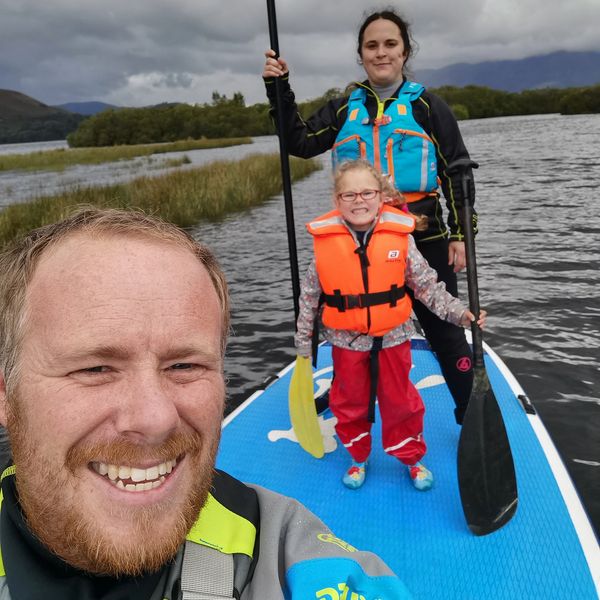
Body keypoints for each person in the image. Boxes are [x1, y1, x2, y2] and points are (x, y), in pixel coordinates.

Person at [0, 208, 413, 599]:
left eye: (184, 365)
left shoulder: (293, 559)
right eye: (95, 369)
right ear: (6, 394)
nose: (156, 417)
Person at [263, 8, 478, 424]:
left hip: (423, 235)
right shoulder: (344, 108)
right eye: (372, 45)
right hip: (356, 239)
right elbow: (300, 141)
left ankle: (472, 415)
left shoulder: (429, 108)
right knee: (351, 325)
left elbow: (457, 169)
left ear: (405, 51)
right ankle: (349, 396)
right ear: (361, 54)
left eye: (390, 44)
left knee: (445, 332)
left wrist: (462, 237)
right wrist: (279, 89)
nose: (381, 53)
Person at [295, 160, 486, 490]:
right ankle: (358, 456)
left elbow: (427, 286)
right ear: (337, 199)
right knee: (348, 403)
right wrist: (302, 344)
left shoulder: (401, 239)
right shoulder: (324, 245)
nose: (359, 201)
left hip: (394, 339)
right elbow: (309, 298)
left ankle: (410, 457)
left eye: (367, 192)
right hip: (346, 343)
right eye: (349, 194)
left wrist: (460, 313)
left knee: (402, 403)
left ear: (381, 196)